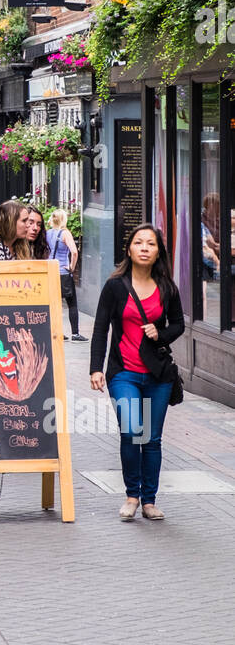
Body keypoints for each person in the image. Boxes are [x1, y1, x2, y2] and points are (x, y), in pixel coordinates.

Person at [90, 223, 185, 522]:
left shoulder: (167, 287)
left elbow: (178, 325)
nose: (144, 248)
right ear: (129, 249)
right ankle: (132, 495)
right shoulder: (115, 286)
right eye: (139, 242)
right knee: (132, 432)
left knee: (152, 438)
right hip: (124, 373)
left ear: (158, 252)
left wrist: (160, 333)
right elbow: (100, 328)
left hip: (157, 375)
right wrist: (96, 368)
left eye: (151, 244)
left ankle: (149, 500)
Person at [46, 207, 85, 340]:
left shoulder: (48, 233)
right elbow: (74, 252)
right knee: (72, 303)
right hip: (63, 271)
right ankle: (75, 334)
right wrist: (71, 267)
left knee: (55, 303)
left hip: (51, 270)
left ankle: (58, 332)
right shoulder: (65, 233)